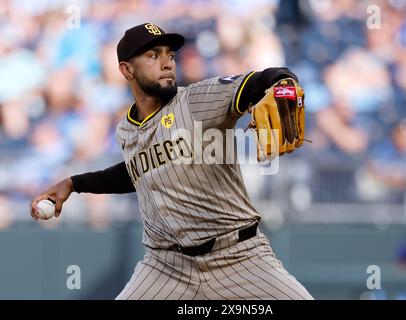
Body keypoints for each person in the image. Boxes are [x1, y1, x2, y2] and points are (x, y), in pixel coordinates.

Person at [30, 23, 313, 300]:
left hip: (238, 256)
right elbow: (136, 172)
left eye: (170, 55)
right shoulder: (126, 130)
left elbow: (265, 78)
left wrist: (283, 83)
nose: (167, 63)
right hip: (165, 267)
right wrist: (74, 183)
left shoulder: (198, 100)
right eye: (154, 56)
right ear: (126, 70)